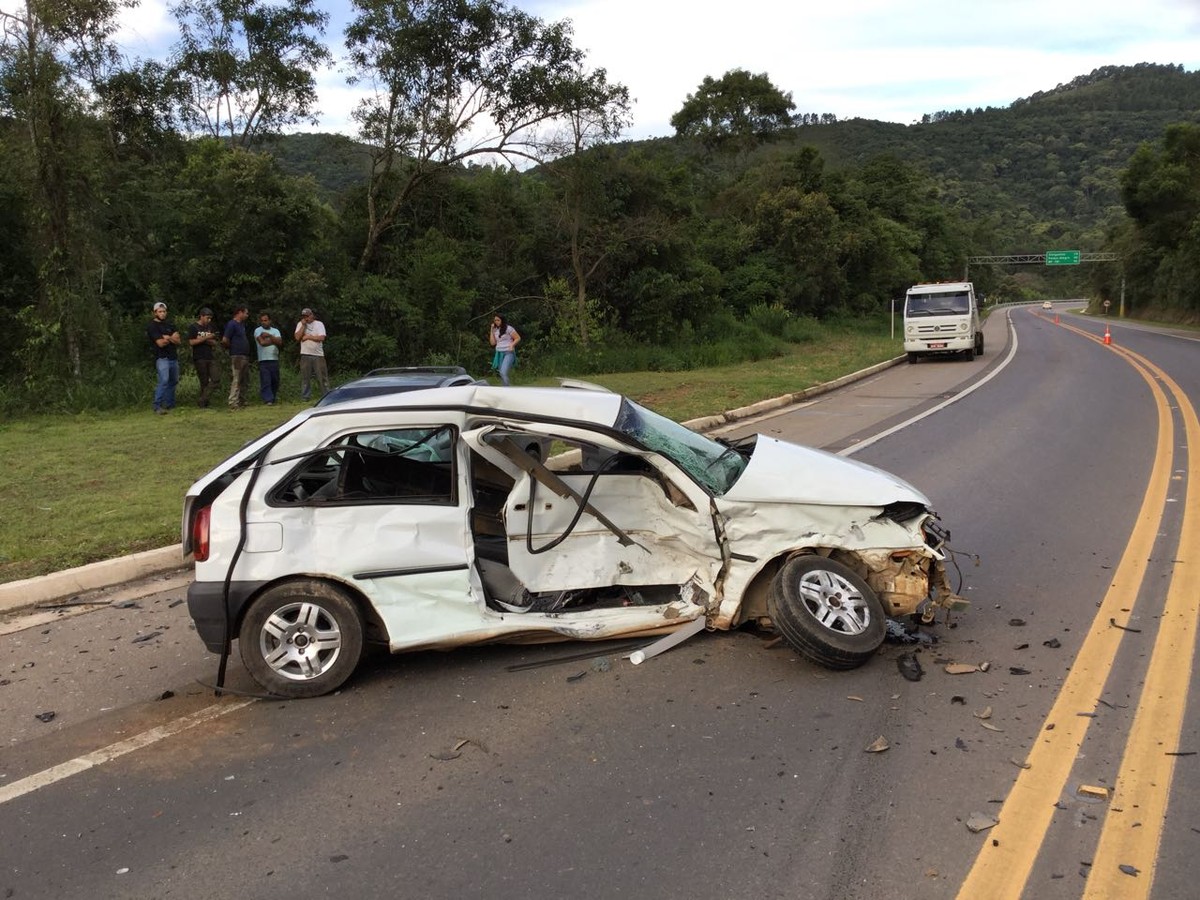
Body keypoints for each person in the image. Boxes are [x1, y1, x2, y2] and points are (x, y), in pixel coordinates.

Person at [147, 301, 181, 414]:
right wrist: (171, 338)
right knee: (164, 381)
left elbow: (178, 340)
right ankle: (157, 405)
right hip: (162, 358)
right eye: (160, 311)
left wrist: (168, 338)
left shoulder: (170, 324)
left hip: (173, 357)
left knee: (174, 381)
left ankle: (170, 404)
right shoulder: (152, 326)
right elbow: (160, 343)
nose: (162, 313)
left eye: (164, 311)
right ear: (155, 313)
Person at [294, 307, 330, 401]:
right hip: (305, 354)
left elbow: (321, 338)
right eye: (304, 316)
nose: (306, 318)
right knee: (305, 377)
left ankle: (326, 396)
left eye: (308, 315)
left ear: (312, 315)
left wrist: (309, 337)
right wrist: (303, 326)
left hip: (318, 355)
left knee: (322, 377)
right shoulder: (300, 324)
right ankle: (305, 397)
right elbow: (297, 337)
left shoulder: (319, 324)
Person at [186, 307, 220, 408]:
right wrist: (206, 338)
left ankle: (202, 399)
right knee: (204, 381)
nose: (209, 320)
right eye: (207, 318)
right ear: (201, 316)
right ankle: (204, 403)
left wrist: (204, 340)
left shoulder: (210, 327)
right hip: (199, 357)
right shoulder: (194, 327)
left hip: (210, 356)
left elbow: (215, 342)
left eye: (210, 318)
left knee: (216, 379)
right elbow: (191, 342)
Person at [222, 305, 251, 409]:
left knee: (244, 379)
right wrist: (232, 347)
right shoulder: (232, 324)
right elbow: (225, 339)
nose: (247, 315)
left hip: (244, 355)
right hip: (237, 355)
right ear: (240, 312)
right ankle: (233, 401)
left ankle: (242, 400)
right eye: (246, 313)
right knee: (237, 378)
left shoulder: (241, 325)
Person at [254, 311, 283, 405]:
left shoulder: (275, 331)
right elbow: (262, 343)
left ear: (270, 321)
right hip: (263, 359)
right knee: (266, 380)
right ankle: (268, 400)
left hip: (274, 358)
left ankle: (273, 397)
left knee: (275, 380)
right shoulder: (258, 330)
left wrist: (269, 336)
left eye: (265, 320)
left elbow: (280, 342)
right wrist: (274, 340)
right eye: (262, 321)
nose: (264, 322)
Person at [489, 314, 521, 386]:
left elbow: (518, 338)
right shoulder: (495, 330)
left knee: (503, 372)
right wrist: (491, 330)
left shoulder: (508, 328)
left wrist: (512, 345)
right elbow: (492, 343)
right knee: (501, 373)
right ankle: (505, 389)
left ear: (502, 320)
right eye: (495, 320)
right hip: (499, 353)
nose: (496, 322)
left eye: (498, 320)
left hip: (508, 352)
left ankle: (507, 390)